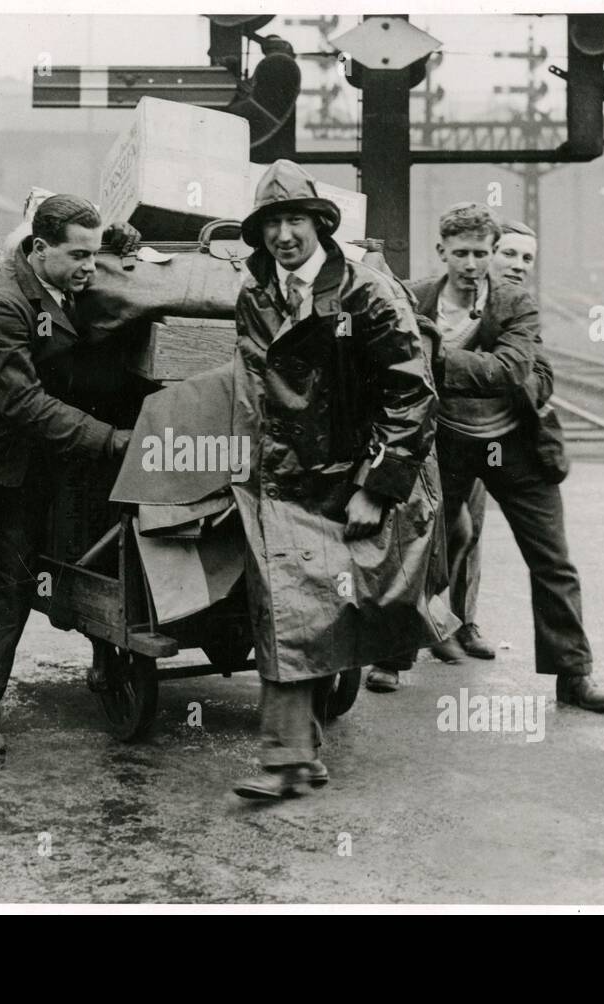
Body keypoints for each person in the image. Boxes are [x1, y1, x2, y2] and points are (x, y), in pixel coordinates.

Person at [228, 160, 443, 799]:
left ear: (320, 224)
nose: (284, 236)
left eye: (295, 220)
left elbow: (411, 392)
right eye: (272, 224)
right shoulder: (255, 295)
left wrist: (377, 487)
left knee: (327, 610)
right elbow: (256, 389)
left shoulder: (367, 293)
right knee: (288, 611)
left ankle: (296, 757)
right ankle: (289, 759)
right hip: (284, 479)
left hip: (352, 477)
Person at [0, 196, 139, 757]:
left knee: (13, 585)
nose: (91, 266)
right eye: (79, 255)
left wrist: (122, 243)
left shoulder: (59, 286)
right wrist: (110, 440)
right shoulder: (3, 306)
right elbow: (23, 403)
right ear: (39, 250)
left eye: (95, 254)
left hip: (27, 461)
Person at [368, 203, 604, 713]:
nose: (471, 264)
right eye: (460, 253)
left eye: (481, 253)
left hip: (518, 445)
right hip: (448, 444)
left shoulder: (515, 304)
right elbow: (393, 366)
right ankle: (390, 659)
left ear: (490, 253)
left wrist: (435, 355)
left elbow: (511, 370)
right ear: (442, 252)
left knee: (553, 561)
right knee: (417, 544)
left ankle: (574, 677)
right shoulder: (416, 299)